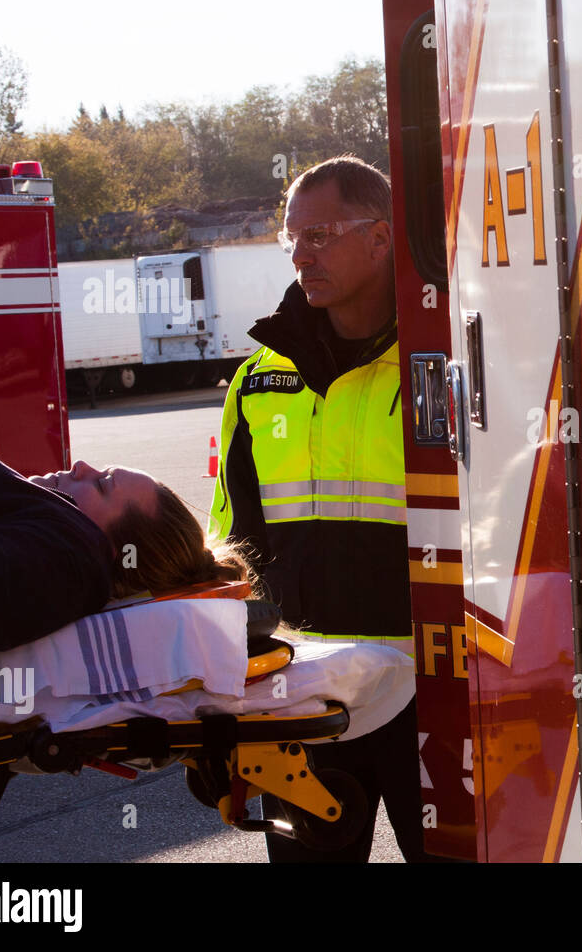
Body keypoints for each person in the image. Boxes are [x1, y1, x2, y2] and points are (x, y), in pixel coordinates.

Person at [209, 155, 427, 863]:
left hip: (432, 696)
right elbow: (233, 547)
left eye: (320, 233)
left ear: (381, 237)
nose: (301, 253)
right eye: (291, 237)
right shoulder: (257, 381)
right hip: (303, 697)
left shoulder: (445, 363)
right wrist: (227, 703)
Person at [0, 441, 250, 666]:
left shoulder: (70, 557)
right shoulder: (63, 544)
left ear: (117, 550)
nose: (81, 466)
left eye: (101, 485)